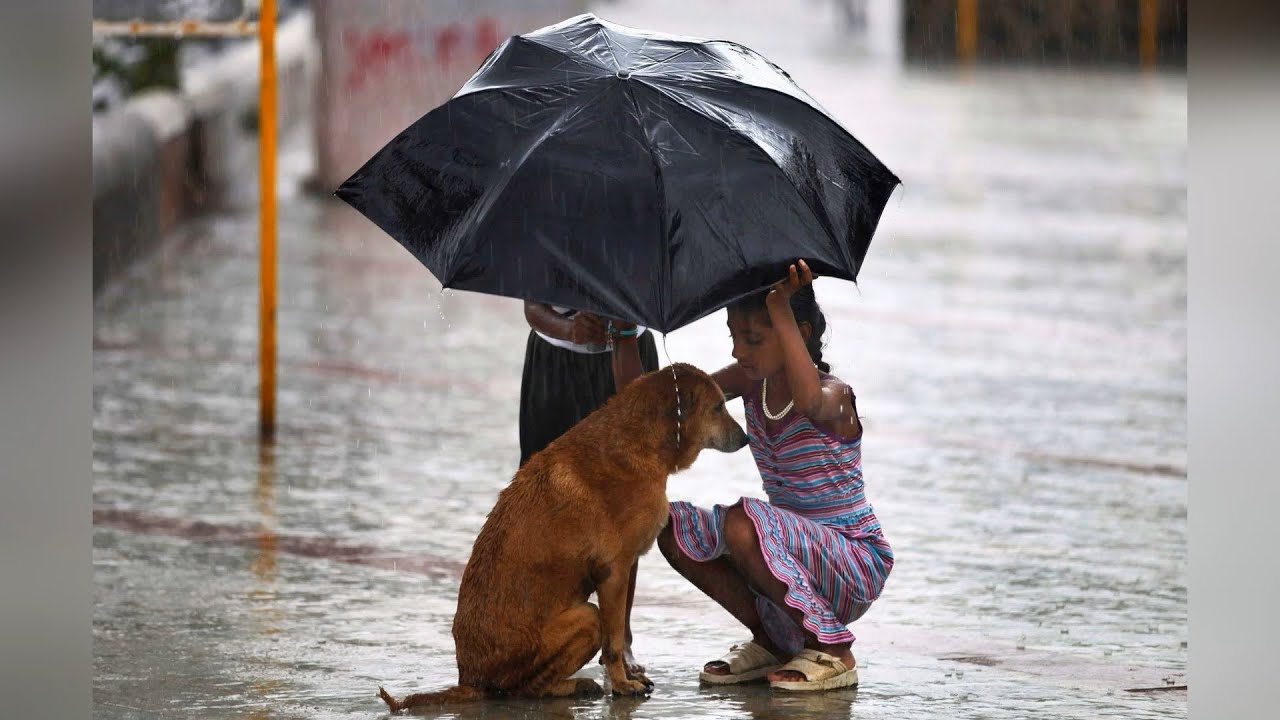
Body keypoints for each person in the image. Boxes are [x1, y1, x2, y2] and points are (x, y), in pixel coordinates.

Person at [614, 259, 893, 692]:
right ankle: (773, 640)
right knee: (666, 523)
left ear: (798, 333)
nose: (738, 352)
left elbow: (808, 402)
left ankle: (834, 649)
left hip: (851, 562)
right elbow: (649, 409)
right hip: (783, 555)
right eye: (734, 337)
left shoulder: (834, 396)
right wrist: (623, 331)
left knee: (743, 522)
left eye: (753, 339)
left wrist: (780, 304)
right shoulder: (749, 382)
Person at [519, 302, 661, 466]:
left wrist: (624, 331)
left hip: (632, 348)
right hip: (556, 359)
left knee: (635, 464)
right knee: (546, 470)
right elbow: (533, 307)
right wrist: (569, 329)